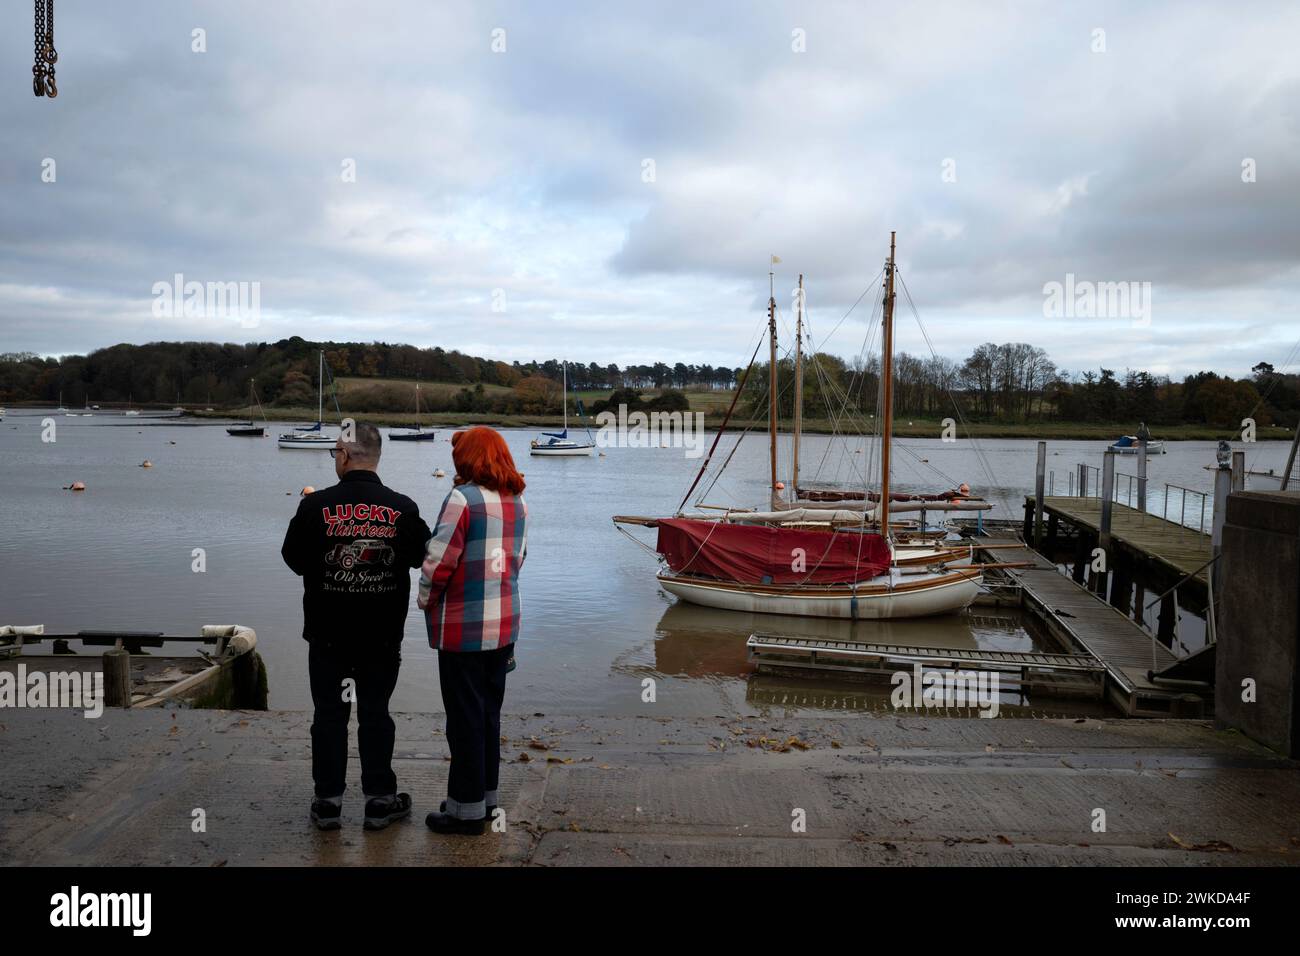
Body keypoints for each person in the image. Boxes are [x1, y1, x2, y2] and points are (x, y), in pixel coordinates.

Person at [281, 422, 431, 832]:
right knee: (376, 714)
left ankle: (328, 801)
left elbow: (292, 559)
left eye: (335, 452)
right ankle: (379, 800)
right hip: (381, 636)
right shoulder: (402, 507)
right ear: (376, 456)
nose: (335, 459)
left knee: (328, 714)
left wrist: (325, 564)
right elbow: (423, 556)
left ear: (345, 456)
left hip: (327, 634)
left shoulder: (314, 507)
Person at [419, 427, 529, 835]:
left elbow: (439, 559)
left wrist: (426, 599)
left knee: (463, 718)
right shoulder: (518, 502)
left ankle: (465, 813)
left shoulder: (462, 500)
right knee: (487, 713)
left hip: (464, 628)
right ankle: (485, 797)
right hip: (504, 623)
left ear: (468, 457)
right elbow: (518, 559)